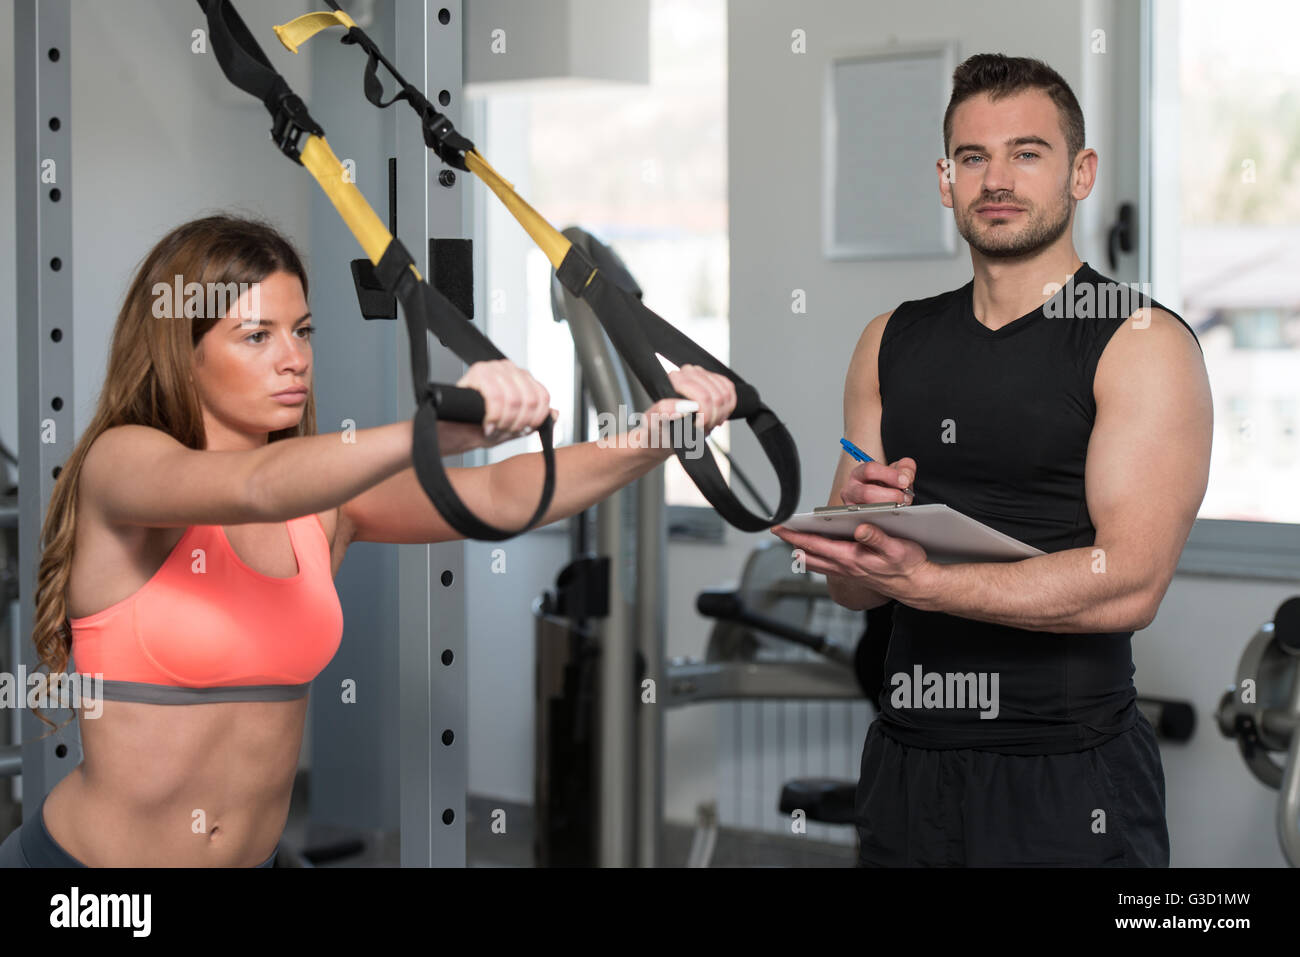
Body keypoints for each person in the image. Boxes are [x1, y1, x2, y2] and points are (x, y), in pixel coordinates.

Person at [0, 213, 734, 868]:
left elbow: (500, 496)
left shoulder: (321, 504)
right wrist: (436, 429)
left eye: (303, 330)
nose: (293, 358)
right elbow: (252, 486)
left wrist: (657, 434)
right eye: (256, 335)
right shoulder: (124, 463)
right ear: (179, 350)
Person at [772, 53, 1212, 866]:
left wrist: (931, 582)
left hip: (1067, 776)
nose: (996, 179)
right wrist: (860, 535)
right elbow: (849, 585)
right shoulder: (888, 340)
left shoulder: (1139, 342)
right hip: (909, 766)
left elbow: (1132, 581)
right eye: (973, 157)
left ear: (1079, 173)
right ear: (945, 180)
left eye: (1027, 152)